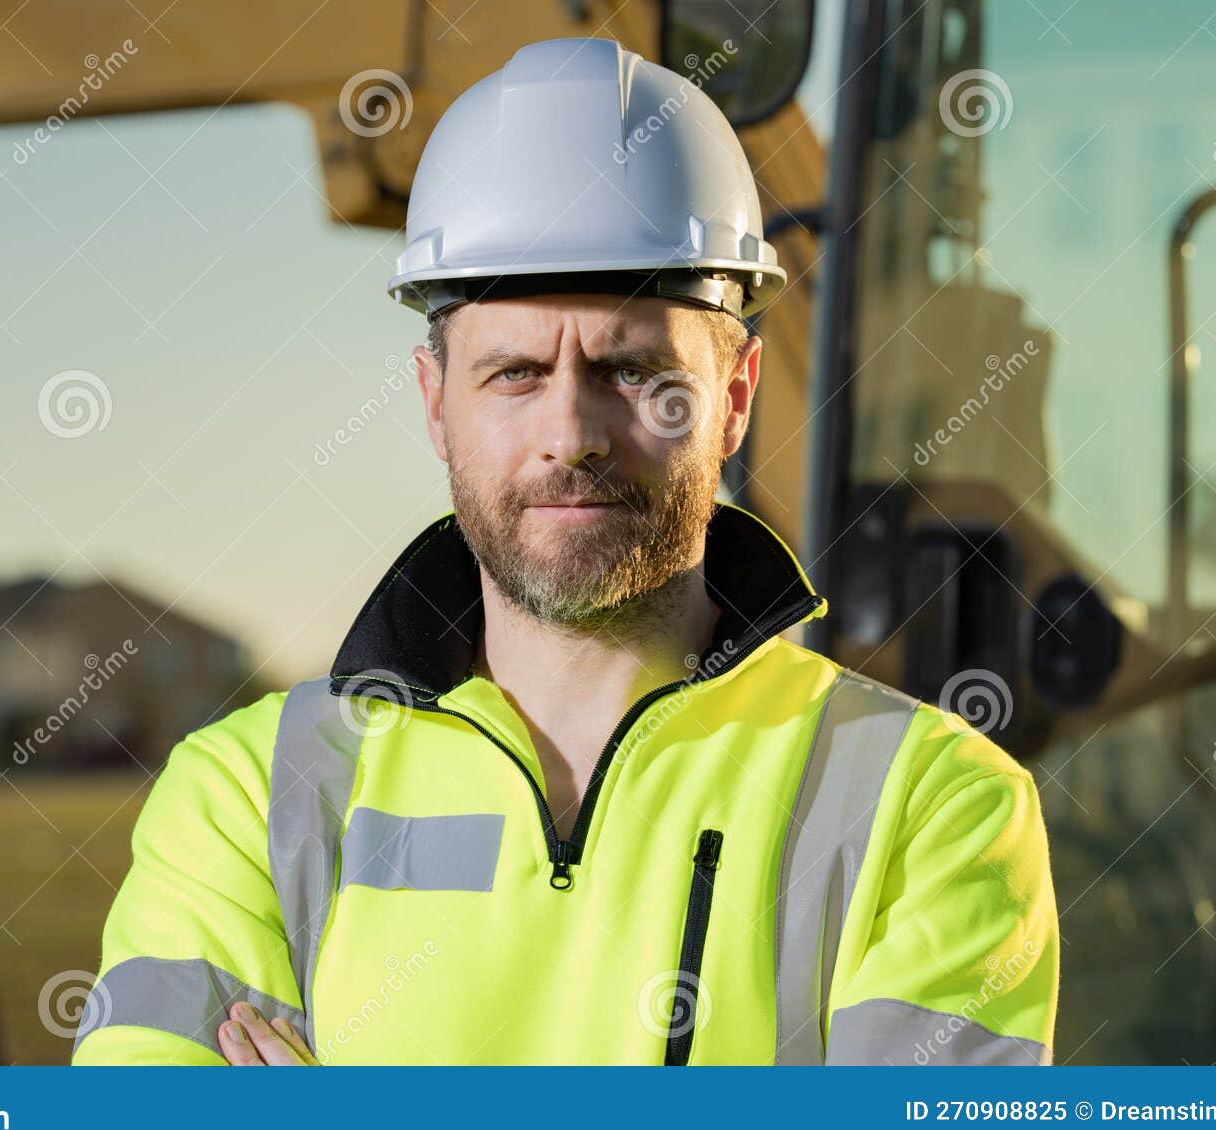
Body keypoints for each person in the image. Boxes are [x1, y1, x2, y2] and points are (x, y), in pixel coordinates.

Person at [72, 36, 1059, 1067]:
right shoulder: (246, 802)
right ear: (434, 404)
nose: (571, 433)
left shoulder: (930, 807)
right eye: (512, 373)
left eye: (632, 370)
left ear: (731, 399)